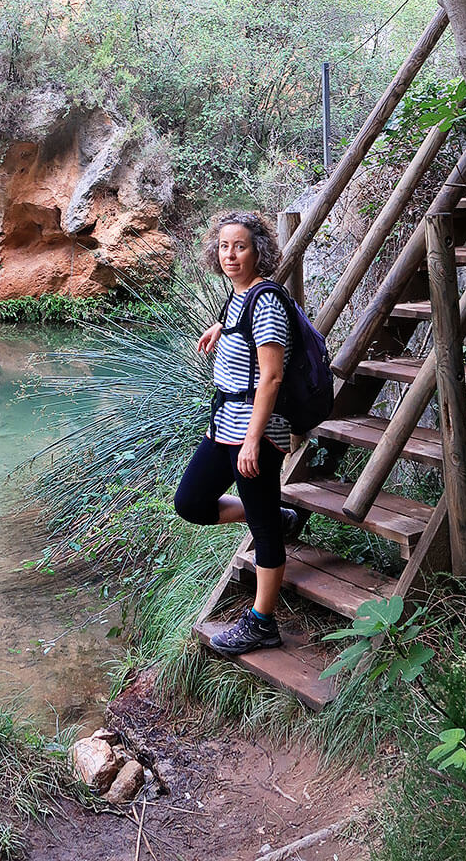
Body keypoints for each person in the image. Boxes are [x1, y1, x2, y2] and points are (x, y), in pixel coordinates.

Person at [174, 209, 297, 655]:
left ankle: (263, 622)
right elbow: (244, 326)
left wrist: (252, 439)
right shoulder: (240, 297)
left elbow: (272, 377)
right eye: (224, 246)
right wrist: (222, 327)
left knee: (262, 528)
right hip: (223, 423)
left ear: (257, 251)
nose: (231, 254)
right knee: (190, 501)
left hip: (255, 431)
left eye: (240, 246)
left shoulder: (264, 301)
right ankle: (278, 517)